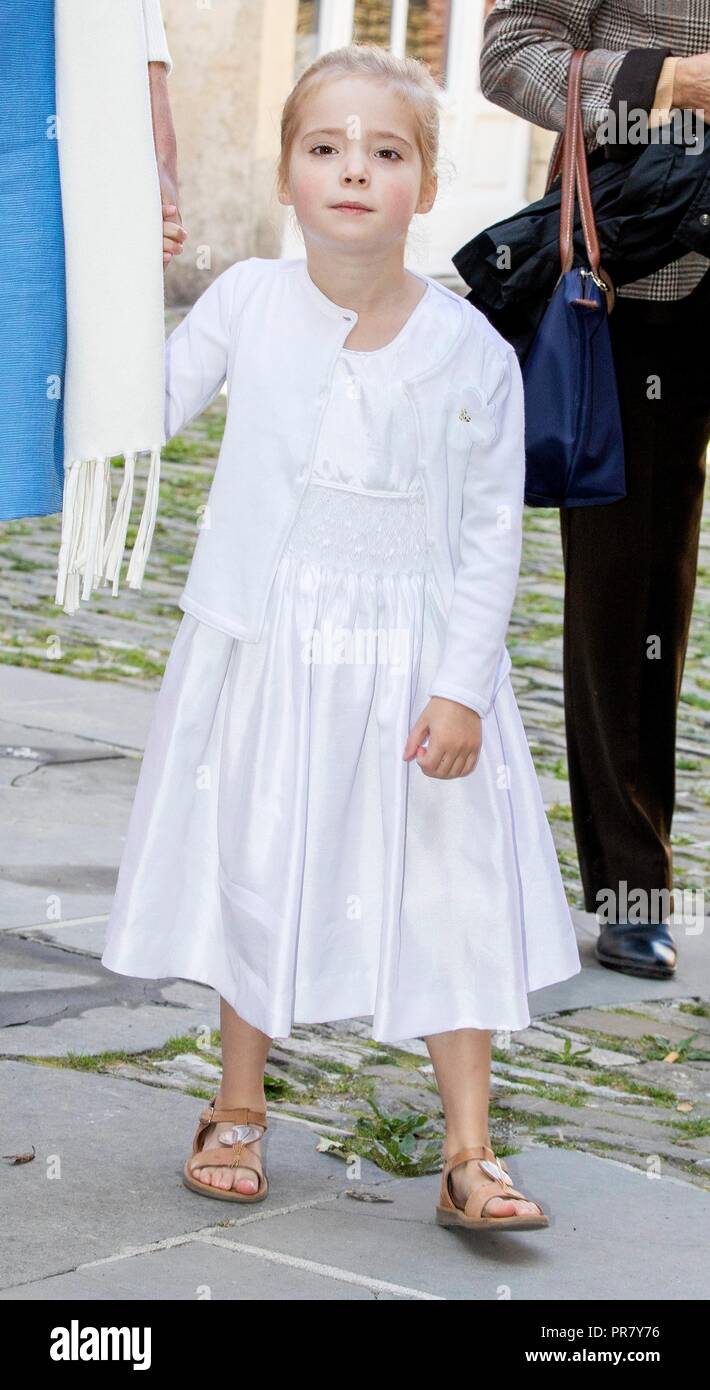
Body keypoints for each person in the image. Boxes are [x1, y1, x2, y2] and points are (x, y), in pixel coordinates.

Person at [101, 44, 580, 1231]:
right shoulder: (245, 303)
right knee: (256, 860)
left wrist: (461, 685)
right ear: (285, 177)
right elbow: (140, 408)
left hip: (415, 660)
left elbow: (489, 534)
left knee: (449, 882)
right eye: (325, 148)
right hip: (268, 649)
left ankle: (468, 1150)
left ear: (425, 182)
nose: (354, 170)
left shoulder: (469, 349)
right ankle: (236, 1105)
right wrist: (113, 278)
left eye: (385, 151)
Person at [480, 1, 710, 979]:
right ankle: (631, 887)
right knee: (632, 597)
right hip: (645, 274)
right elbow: (512, 54)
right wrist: (672, 83)